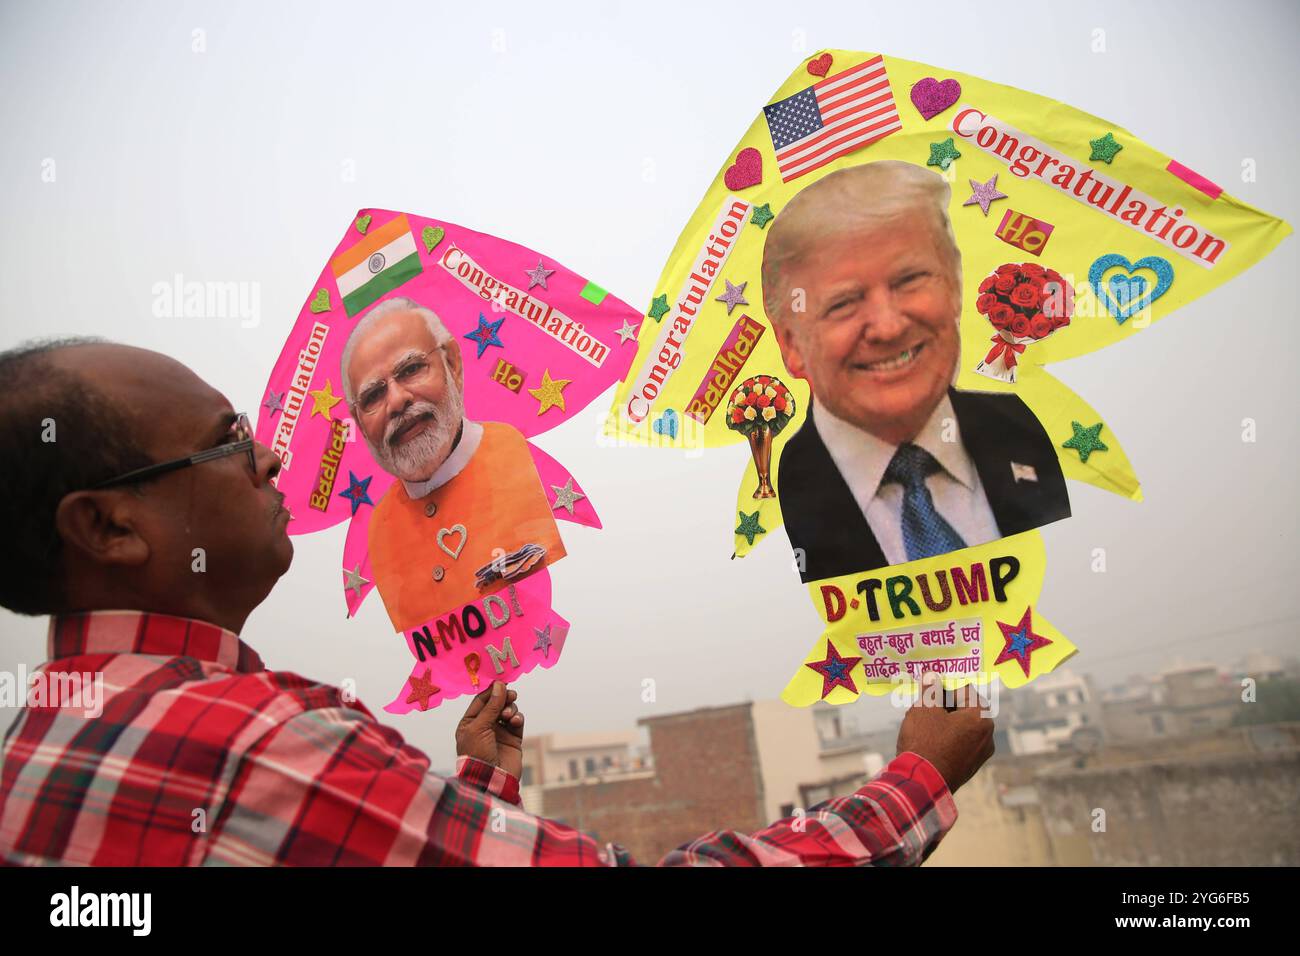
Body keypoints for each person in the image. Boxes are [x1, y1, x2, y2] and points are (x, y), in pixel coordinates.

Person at [0, 338, 993, 866]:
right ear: (107, 528)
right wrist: (916, 779)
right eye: (224, 436)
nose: (265, 454)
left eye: (412, 371)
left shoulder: (35, 741)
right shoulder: (261, 743)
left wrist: (471, 785)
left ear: (458, 372)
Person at [763, 161, 1071, 583]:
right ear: (792, 346)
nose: (889, 326)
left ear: (955, 285)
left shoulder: (1036, 435)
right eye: (843, 303)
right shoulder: (771, 518)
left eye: (909, 280)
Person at [340, 296, 565, 632]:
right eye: (373, 395)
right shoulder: (380, 528)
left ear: (453, 363)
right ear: (359, 422)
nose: (397, 401)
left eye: (411, 369)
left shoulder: (512, 454)